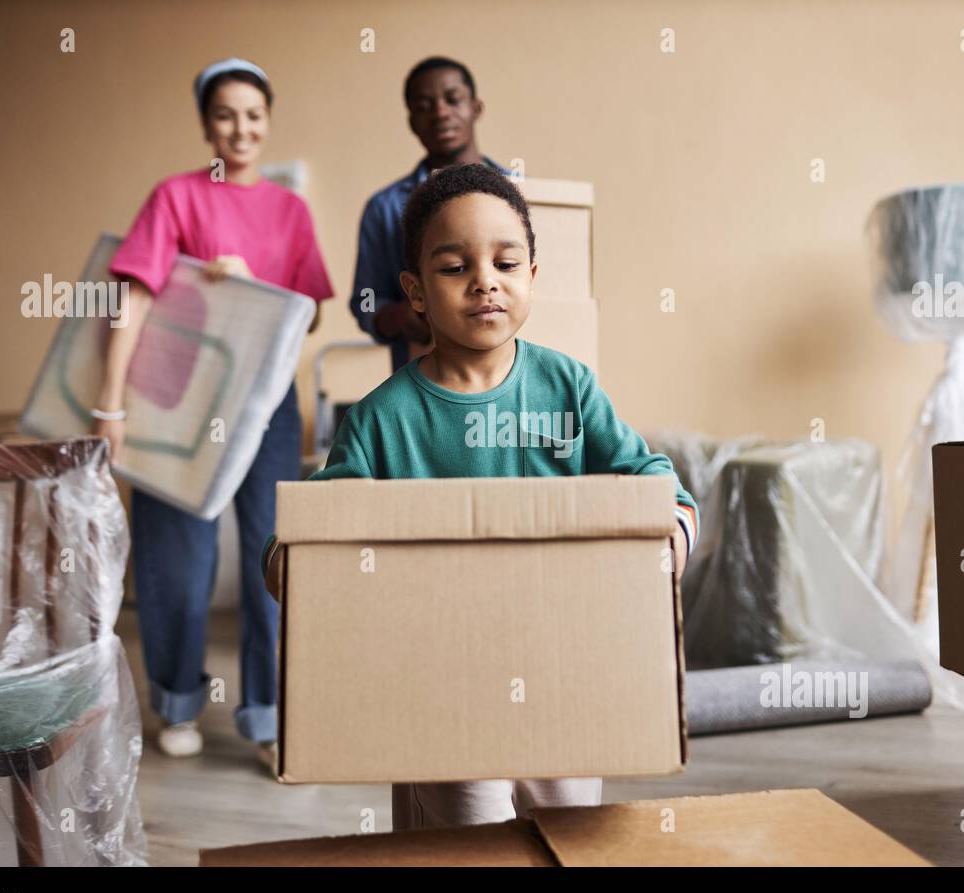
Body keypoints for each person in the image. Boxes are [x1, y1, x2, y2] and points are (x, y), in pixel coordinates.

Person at [265, 164, 698, 828]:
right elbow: (316, 531)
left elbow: (655, 484)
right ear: (413, 291)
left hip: (564, 667)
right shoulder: (383, 418)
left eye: (505, 261)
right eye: (453, 267)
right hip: (440, 678)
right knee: (469, 832)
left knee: (569, 827)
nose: (484, 281)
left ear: (531, 274)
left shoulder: (568, 388)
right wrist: (293, 567)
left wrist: (669, 530)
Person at [95, 57, 334, 767]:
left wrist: (249, 287)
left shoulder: (290, 211)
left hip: (267, 404)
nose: (241, 128)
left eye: (254, 114)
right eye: (226, 114)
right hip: (181, 405)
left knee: (274, 553)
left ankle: (266, 718)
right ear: (206, 123)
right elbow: (132, 297)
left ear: (268, 121)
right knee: (177, 557)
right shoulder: (173, 197)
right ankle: (174, 699)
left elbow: (310, 313)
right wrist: (110, 404)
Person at [349, 56, 512, 372]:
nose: (440, 113)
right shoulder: (385, 208)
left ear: (475, 107)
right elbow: (365, 300)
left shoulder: (523, 195)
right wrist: (401, 316)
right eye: (424, 106)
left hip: (513, 380)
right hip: (426, 383)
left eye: (453, 99)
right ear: (411, 121)